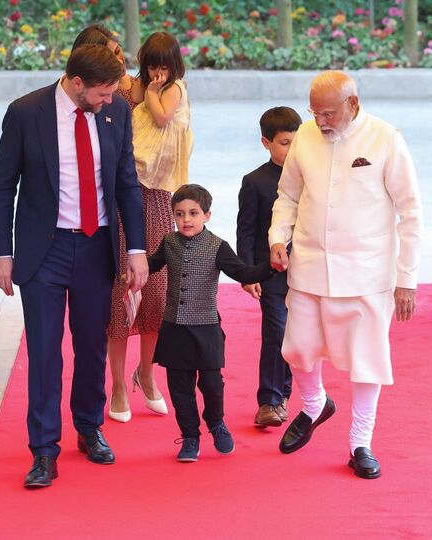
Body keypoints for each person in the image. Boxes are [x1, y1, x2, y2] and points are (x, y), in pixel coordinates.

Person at [0, 44, 149, 488]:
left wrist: (136, 247)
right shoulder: (26, 113)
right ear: (76, 82)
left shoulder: (116, 112)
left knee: (93, 346)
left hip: (97, 248)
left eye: (113, 92)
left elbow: (127, 185)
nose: (108, 100)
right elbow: (4, 188)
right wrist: (2, 252)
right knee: (43, 351)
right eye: (101, 92)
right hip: (45, 250)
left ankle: (89, 426)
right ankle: (43, 450)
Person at [268, 71, 423, 480]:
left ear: (353, 104)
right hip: (309, 266)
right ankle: (315, 404)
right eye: (314, 112)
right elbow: (288, 196)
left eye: (329, 113)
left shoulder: (386, 138)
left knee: (367, 362)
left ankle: (360, 441)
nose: (320, 121)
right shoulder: (304, 135)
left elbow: (411, 212)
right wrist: (276, 237)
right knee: (297, 348)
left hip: (367, 272)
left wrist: (406, 278)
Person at [148, 185, 276, 462]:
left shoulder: (217, 246)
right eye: (180, 214)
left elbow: (243, 271)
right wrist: (128, 265)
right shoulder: (169, 242)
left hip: (206, 328)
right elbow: (152, 264)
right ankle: (190, 436)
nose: (186, 220)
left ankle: (216, 422)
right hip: (174, 328)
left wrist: (270, 267)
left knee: (212, 384)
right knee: (179, 387)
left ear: (207, 215)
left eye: (193, 213)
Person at [106, 31, 193, 423]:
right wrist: (136, 85)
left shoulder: (173, 89)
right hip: (125, 195)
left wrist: (154, 89)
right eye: (150, 66)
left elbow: (162, 118)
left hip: (158, 197)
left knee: (157, 294)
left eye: (164, 66)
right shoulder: (128, 87)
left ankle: (146, 373)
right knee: (119, 293)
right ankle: (119, 384)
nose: (156, 72)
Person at [236, 106, 302, 428]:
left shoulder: (311, 178)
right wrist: (247, 273)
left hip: (308, 271)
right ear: (266, 143)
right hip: (271, 271)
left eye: (297, 141)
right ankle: (269, 400)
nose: (292, 149)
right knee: (276, 331)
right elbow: (245, 230)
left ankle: (284, 395)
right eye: (285, 143)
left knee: (296, 335)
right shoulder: (255, 182)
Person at [71, 25, 137, 108]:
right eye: (109, 58)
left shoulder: (139, 83)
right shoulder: (94, 99)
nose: (119, 61)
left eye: (117, 51)